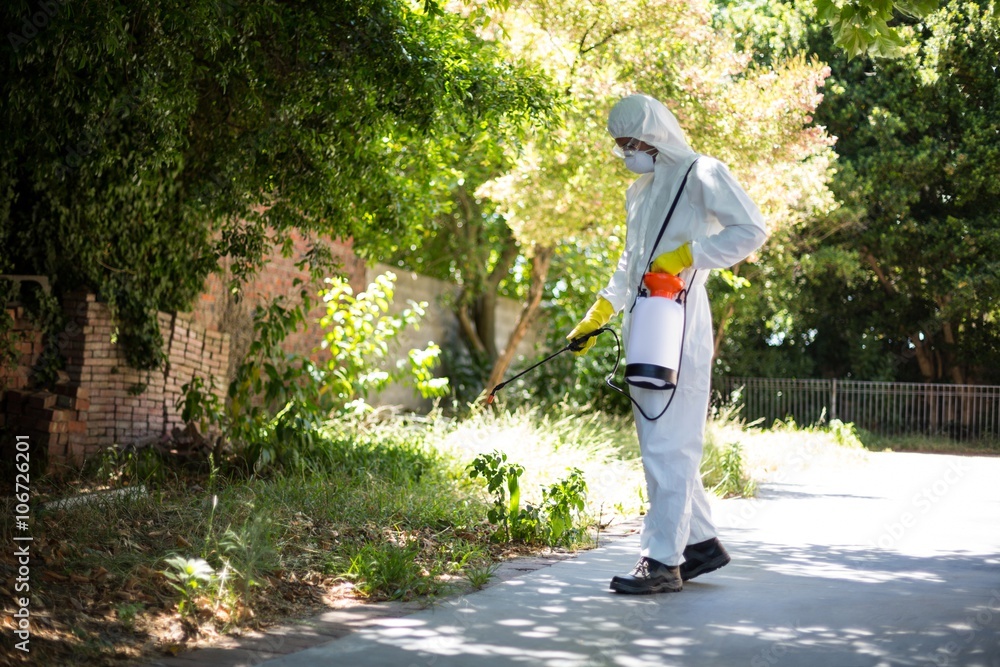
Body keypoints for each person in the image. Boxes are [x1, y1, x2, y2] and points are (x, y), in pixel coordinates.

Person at [568, 93, 768, 595]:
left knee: (669, 444)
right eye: (620, 145)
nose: (626, 153)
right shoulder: (640, 192)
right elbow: (630, 260)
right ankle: (699, 545)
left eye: (630, 142)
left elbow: (751, 230)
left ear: (654, 137)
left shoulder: (703, 173)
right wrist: (599, 312)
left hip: (678, 319)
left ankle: (661, 561)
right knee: (658, 443)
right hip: (642, 319)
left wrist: (689, 254)